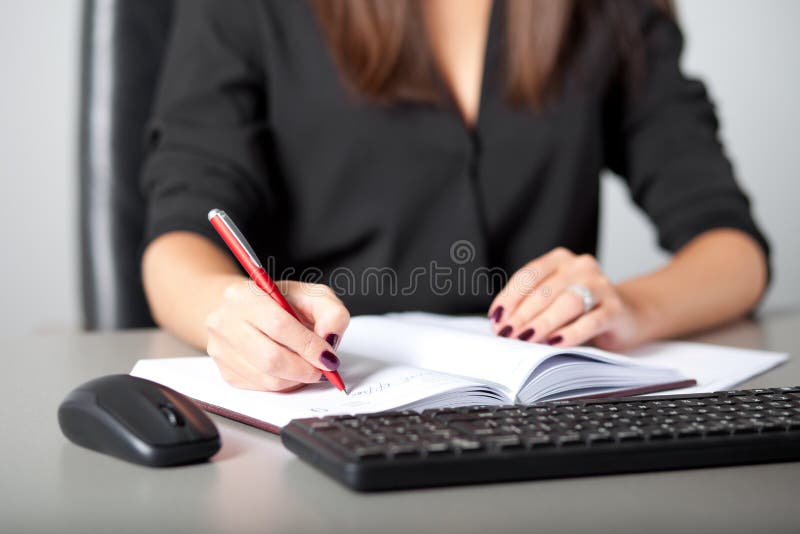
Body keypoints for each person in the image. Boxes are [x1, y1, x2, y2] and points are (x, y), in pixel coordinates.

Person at [141, 0, 770, 392]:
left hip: (541, 422)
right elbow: (180, 235)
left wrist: (631, 307)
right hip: (325, 401)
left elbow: (731, 246)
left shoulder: (606, 10)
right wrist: (227, 313)